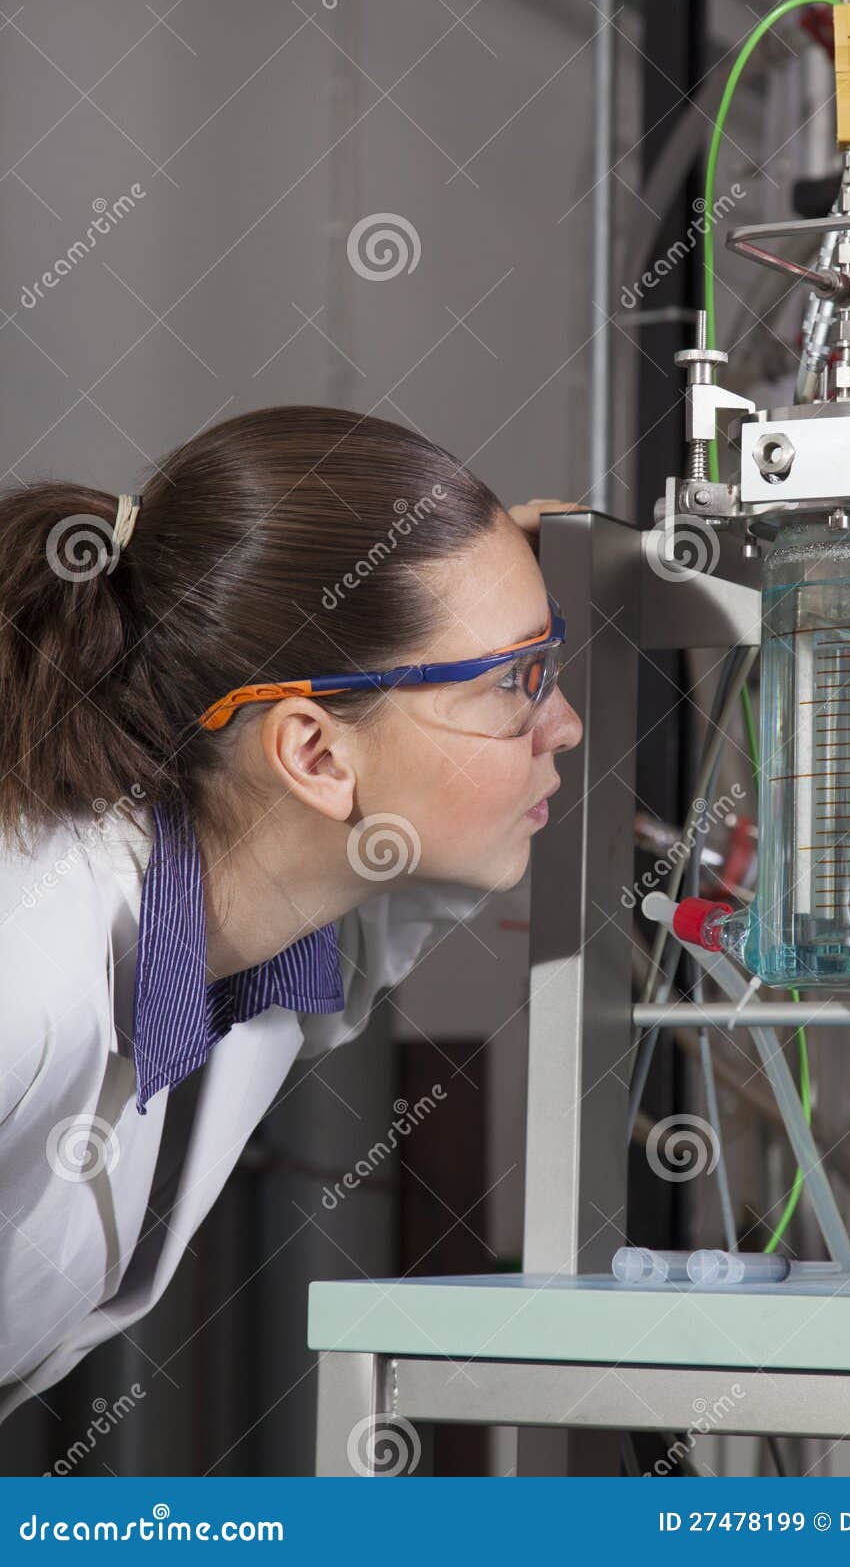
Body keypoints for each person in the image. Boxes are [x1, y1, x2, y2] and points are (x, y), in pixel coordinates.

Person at [0, 405, 583, 1421]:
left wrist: (539, 585)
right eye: (513, 683)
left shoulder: (263, 931)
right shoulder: (25, 985)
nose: (563, 724)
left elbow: (407, 880)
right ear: (313, 752)